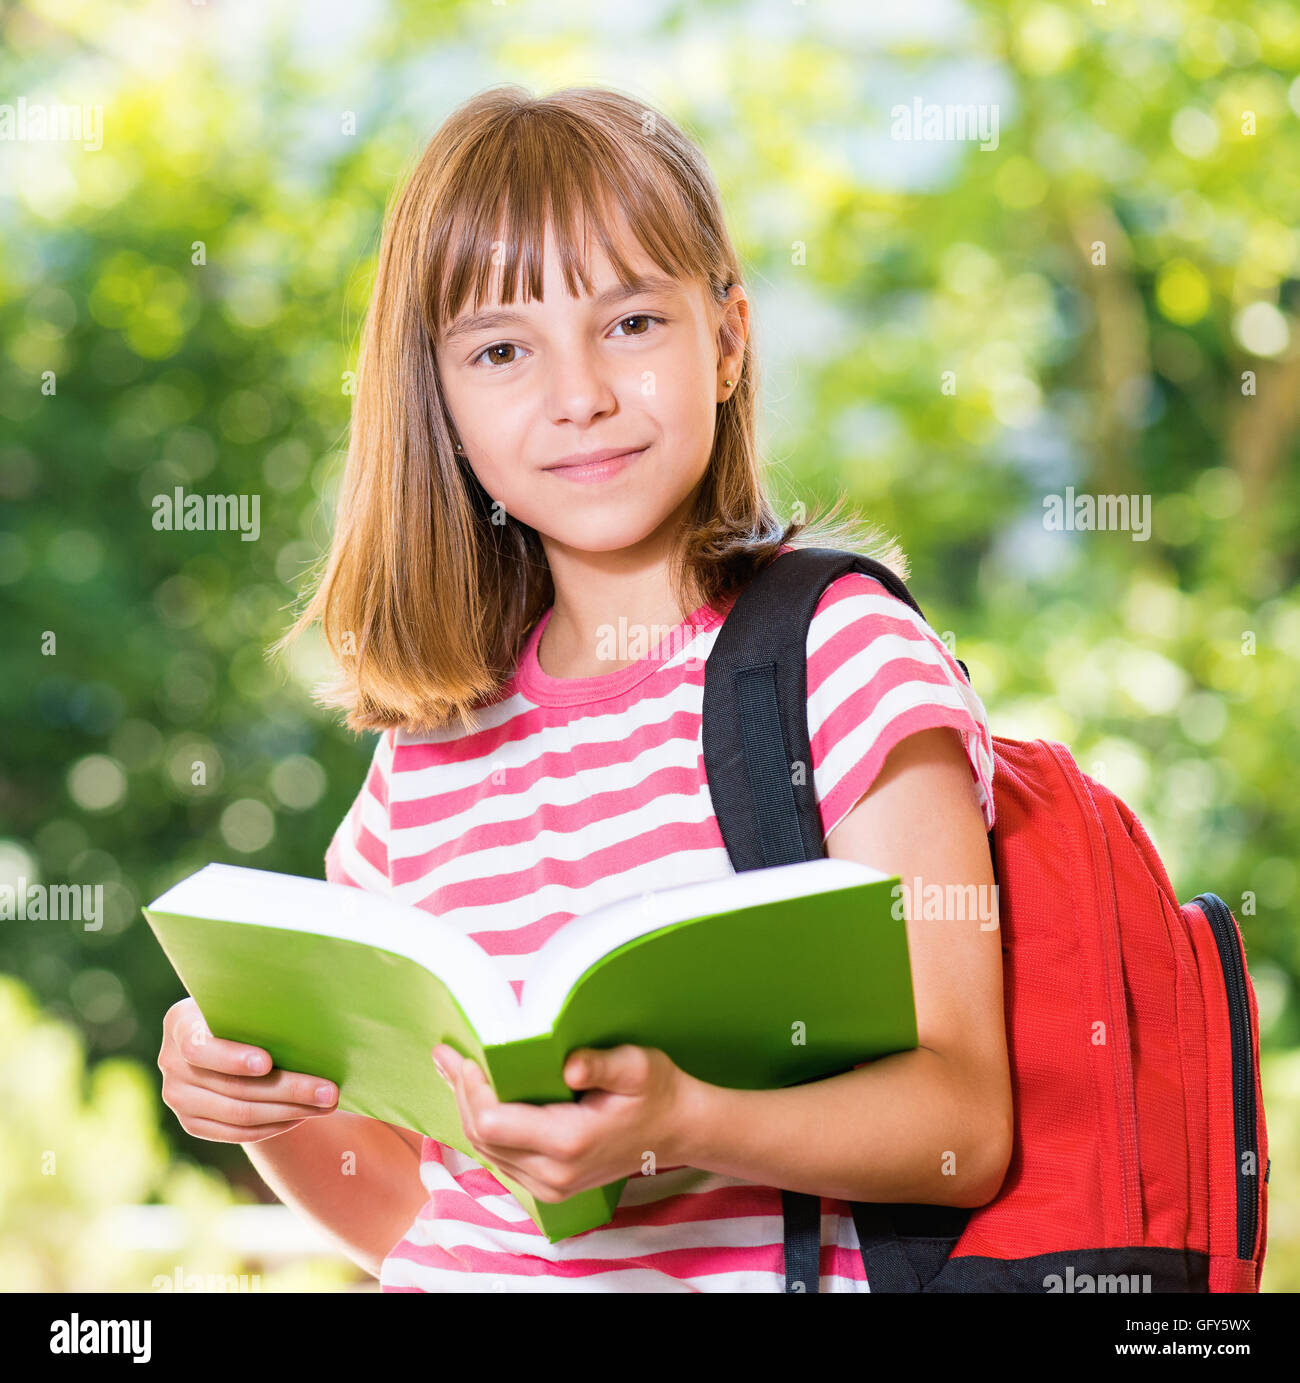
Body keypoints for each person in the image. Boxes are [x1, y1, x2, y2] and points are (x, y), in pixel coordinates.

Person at [159, 82, 1011, 1292]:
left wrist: (680, 1117)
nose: (579, 397)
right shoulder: (424, 754)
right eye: (502, 350)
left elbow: (964, 1128)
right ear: (440, 404)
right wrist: (258, 1101)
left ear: (725, 339)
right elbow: (411, 1213)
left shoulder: (840, 660)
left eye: (629, 325)